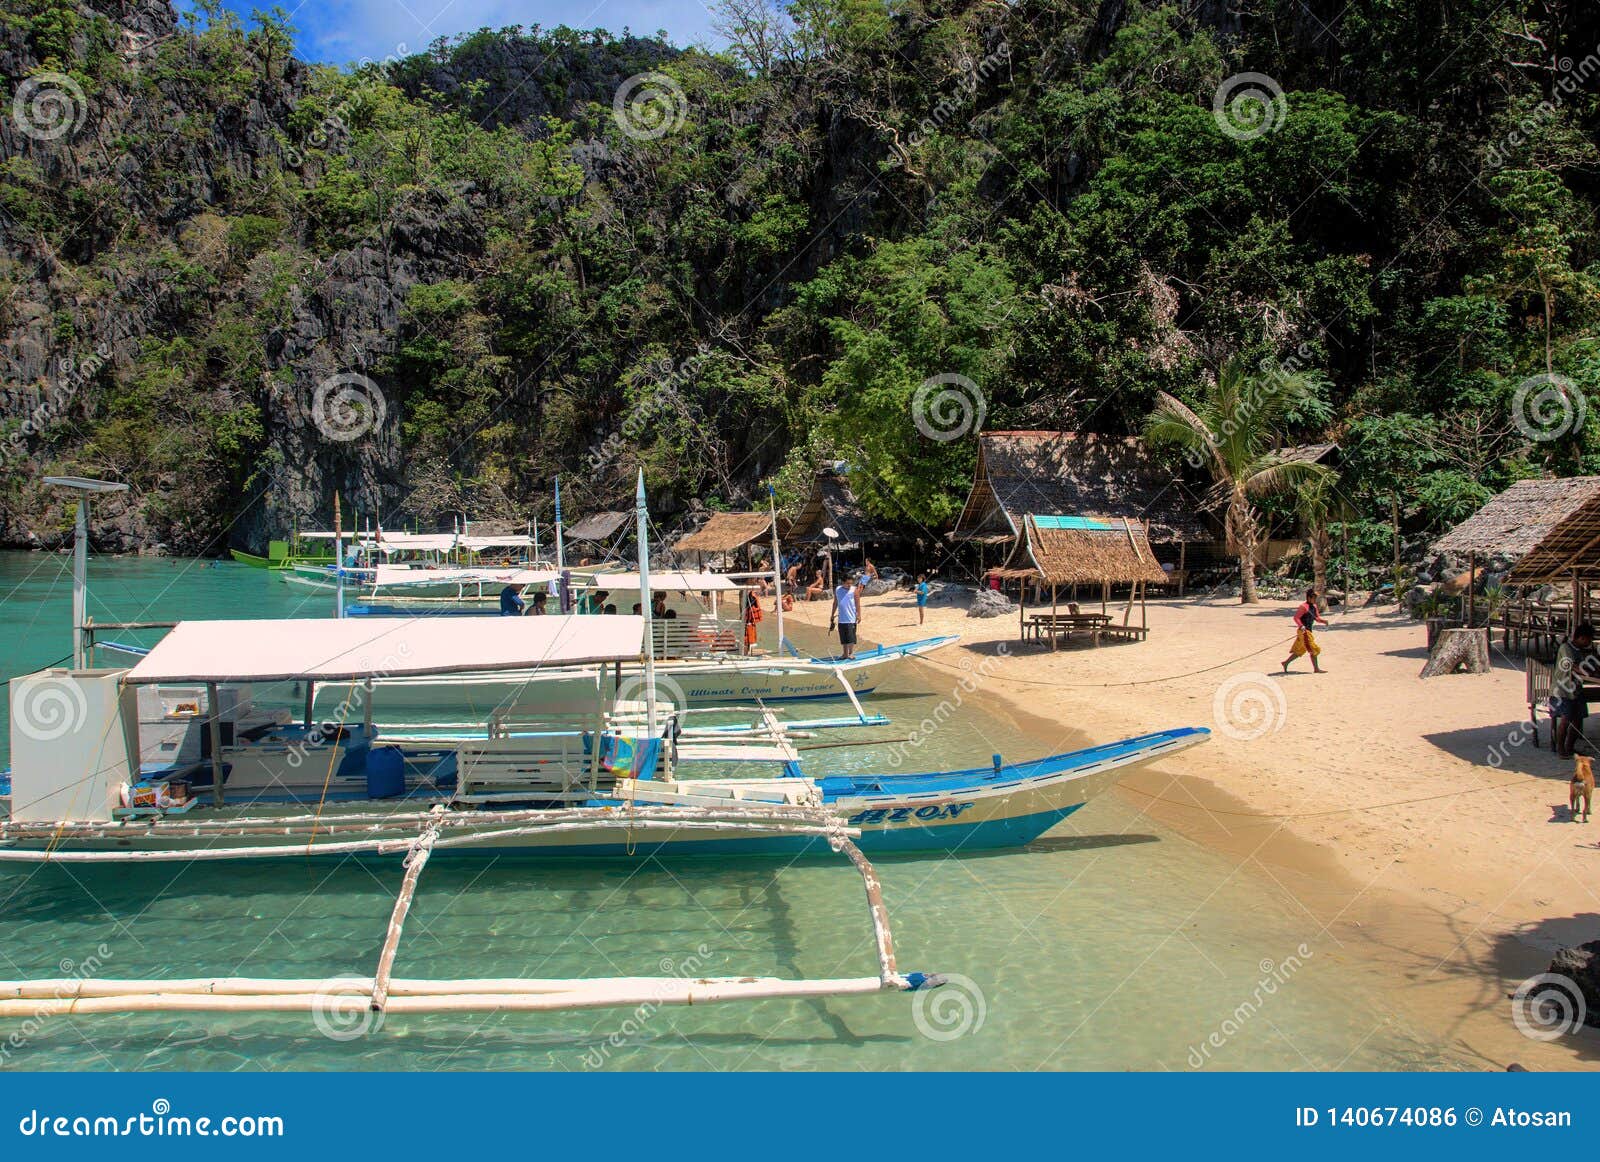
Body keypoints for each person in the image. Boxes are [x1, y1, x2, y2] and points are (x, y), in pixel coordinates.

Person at [1552, 622, 1598, 759]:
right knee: (1565, 720)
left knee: (1578, 720)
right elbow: (1573, 666)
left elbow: (1588, 665)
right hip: (1563, 690)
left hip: (1575, 690)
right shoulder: (1565, 648)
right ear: (1581, 638)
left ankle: (1570, 748)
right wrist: (1590, 674)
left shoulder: (1579, 650)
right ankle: (1560, 749)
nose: (1589, 643)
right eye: (1588, 640)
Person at [1282, 587, 1329, 674]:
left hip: (1308, 631)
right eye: (1314, 598)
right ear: (1309, 597)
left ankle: (1285, 663)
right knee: (1314, 649)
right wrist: (1301, 625)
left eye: (1316, 598)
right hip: (1304, 631)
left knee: (1301, 650)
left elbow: (1317, 618)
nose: (1315, 600)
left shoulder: (1314, 606)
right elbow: (1296, 618)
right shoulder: (1303, 607)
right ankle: (1316, 669)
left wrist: (1323, 621)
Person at [832, 572, 864, 660]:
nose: (849, 585)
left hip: (851, 618)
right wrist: (832, 614)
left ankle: (851, 653)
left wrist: (859, 615)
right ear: (842, 582)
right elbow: (835, 602)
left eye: (851, 583)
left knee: (851, 638)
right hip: (841, 618)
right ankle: (845, 654)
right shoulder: (838, 589)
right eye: (847, 583)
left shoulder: (854, 590)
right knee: (843, 638)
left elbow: (857, 604)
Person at [743, 590, 763, 655]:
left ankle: (746, 653)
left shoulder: (749, 609)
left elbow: (747, 618)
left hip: (748, 625)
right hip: (751, 626)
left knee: (747, 641)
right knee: (750, 641)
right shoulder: (753, 608)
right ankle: (748, 652)